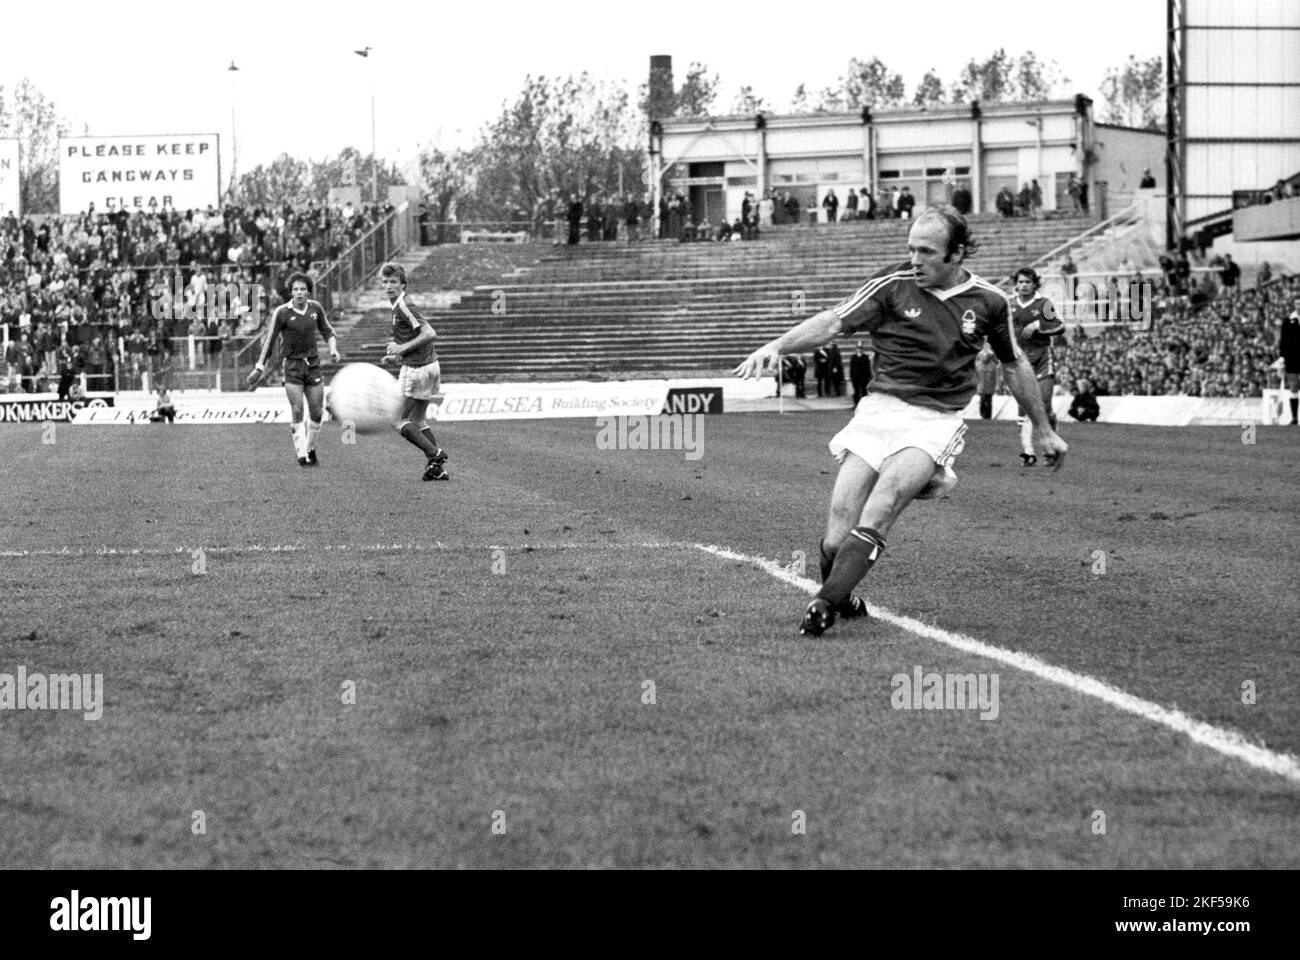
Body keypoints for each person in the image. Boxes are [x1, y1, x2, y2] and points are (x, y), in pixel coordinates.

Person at [733, 206, 1067, 636]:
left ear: (957, 254)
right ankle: (843, 594)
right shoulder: (892, 285)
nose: (915, 260)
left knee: (883, 504)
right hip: (878, 411)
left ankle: (822, 607)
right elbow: (833, 321)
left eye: (926, 251)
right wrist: (778, 346)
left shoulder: (989, 301)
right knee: (837, 534)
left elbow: (1013, 362)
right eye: (911, 249)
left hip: (935, 420)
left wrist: (1042, 428)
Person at [247, 272, 341, 467]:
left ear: (308, 291)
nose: (299, 293)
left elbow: (328, 331)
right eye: (295, 289)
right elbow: (270, 340)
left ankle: (310, 448)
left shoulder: (316, 308)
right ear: (291, 292)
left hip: (313, 365)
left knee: (316, 411)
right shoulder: (282, 312)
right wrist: (259, 367)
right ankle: (301, 454)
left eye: (302, 289)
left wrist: (333, 350)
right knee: (297, 408)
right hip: (292, 366)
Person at [379, 262, 450, 480]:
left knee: (397, 419)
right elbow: (416, 338)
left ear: (403, 285)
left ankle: (433, 452)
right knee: (418, 419)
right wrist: (399, 355)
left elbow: (429, 333)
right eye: (385, 281)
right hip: (430, 365)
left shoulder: (403, 305)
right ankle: (437, 469)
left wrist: (402, 348)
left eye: (394, 282)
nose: (389, 286)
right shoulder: (399, 305)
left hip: (418, 369)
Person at [1010, 267, 1066, 464]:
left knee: (1044, 405)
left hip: (1042, 358)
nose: (1024, 285)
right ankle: (1028, 451)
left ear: (1035, 284)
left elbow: (1060, 327)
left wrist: (1040, 327)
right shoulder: (1009, 306)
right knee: (1023, 408)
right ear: (1015, 284)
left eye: (1027, 282)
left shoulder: (1043, 304)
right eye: (1020, 282)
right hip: (1019, 362)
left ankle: (1052, 449)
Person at [1279, 293, 1300, 425]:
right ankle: (1294, 418)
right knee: (1293, 386)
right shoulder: (1288, 321)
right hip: (1292, 359)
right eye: (1297, 303)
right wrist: (1282, 359)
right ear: (1294, 305)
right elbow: (1283, 341)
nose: (1299, 306)